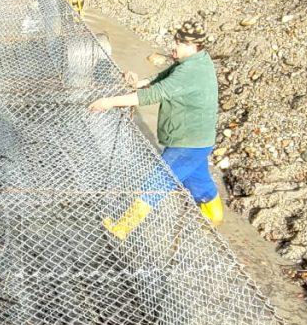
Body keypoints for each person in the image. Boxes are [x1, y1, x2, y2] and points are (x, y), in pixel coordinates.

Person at [89, 21, 223, 236]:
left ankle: (122, 228)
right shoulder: (194, 61)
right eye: (175, 40)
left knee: (157, 181)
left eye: (179, 42)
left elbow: (154, 95)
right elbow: (163, 79)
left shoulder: (191, 70)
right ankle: (215, 217)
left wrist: (110, 102)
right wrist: (140, 82)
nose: (174, 46)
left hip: (187, 141)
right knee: (199, 181)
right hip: (199, 141)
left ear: (193, 45)